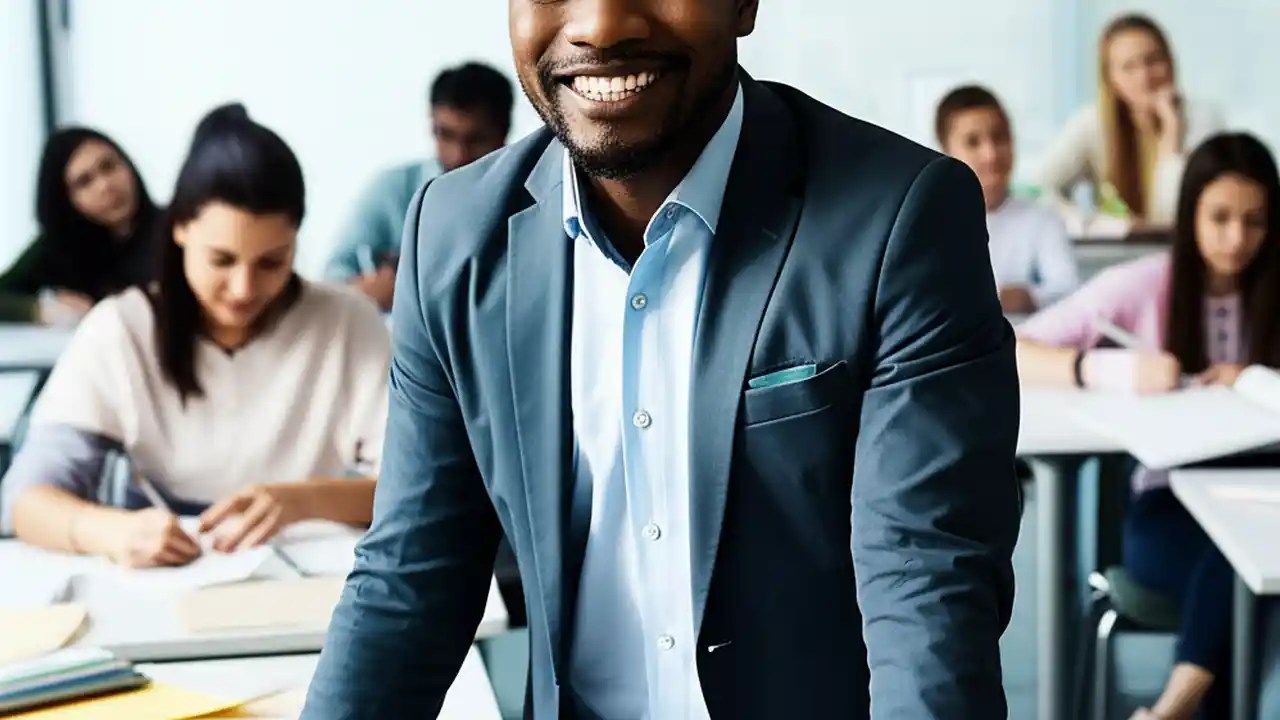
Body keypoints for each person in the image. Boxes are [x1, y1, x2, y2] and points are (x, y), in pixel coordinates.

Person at [301, 1, 1021, 718]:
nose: (601, 25)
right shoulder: (453, 237)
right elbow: (409, 581)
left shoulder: (898, 217)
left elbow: (924, 587)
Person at [0, 104, 390, 568]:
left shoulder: (349, 322)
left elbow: (416, 488)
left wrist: (304, 500)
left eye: (271, 262)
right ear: (180, 228)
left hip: (310, 576)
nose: (244, 290)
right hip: (160, 577)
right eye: (222, 260)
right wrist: (111, 530)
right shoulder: (121, 328)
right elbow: (24, 500)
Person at [1017, 133, 1280, 719]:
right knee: (1237, 565)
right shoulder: (1147, 283)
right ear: (1190, 216)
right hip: (1167, 513)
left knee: (1248, 560)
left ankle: (1170, 710)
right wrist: (1110, 369)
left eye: (1256, 221)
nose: (1237, 239)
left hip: (1267, 500)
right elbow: (1012, 346)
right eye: (1220, 218)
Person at [324, 61, 514, 310]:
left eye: (476, 139)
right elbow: (333, 281)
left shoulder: (532, 199)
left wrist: (405, 287)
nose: (459, 155)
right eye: (445, 135)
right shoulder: (392, 189)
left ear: (503, 133)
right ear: (430, 123)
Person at [1038, 13, 1223, 228]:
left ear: (1170, 63)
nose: (1144, 77)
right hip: (1120, 253)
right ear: (1111, 79)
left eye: (1153, 60)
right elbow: (1039, 193)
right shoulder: (1092, 123)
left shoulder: (1204, 120)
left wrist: (1171, 133)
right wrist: (1102, 225)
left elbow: (1174, 217)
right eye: (1129, 67)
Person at [937, 85, 1080, 313]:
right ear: (946, 152)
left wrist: (1027, 297)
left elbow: (1069, 292)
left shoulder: (1043, 220)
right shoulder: (929, 225)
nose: (991, 154)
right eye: (973, 142)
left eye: (999, 137)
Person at [0, 128, 160, 325]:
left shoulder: (178, 227)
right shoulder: (58, 246)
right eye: (84, 182)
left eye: (109, 166)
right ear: (65, 200)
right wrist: (40, 309)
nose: (105, 186)